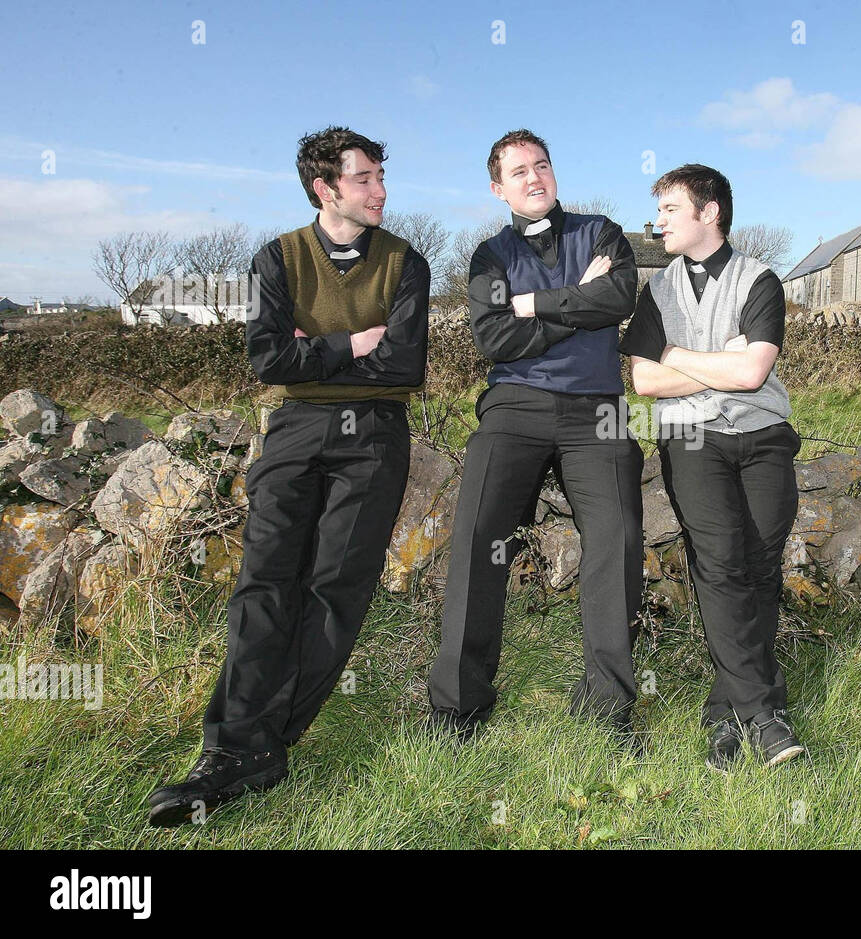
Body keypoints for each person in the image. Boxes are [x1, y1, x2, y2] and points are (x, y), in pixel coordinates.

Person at [147, 126, 430, 826]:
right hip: (296, 426)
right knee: (265, 580)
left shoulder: (406, 262)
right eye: (363, 178)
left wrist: (322, 351)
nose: (380, 190)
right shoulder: (275, 258)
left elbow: (406, 366)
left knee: (336, 587)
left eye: (380, 177)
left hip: (373, 430)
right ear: (324, 187)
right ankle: (238, 744)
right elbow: (269, 360)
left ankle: (259, 744)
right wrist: (352, 342)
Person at [425, 129, 643, 739]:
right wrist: (576, 300)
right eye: (518, 172)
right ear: (498, 189)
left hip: (597, 409)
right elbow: (494, 340)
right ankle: (458, 706)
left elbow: (618, 298)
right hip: (514, 406)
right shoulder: (489, 257)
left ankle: (606, 705)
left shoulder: (600, 231)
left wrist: (532, 305)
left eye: (541, 165)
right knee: (476, 537)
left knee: (618, 536)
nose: (534, 178)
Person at [618, 163, 804, 771]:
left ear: (710, 212)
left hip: (764, 437)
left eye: (671, 209)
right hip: (690, 439)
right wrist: (714, 357)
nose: (659, 221)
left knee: (759, 563)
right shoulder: (657, 291)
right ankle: (763, 714)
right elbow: (644, 380)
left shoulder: (761, 281)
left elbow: (753, 375)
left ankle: (726, 709)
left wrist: (677, 356)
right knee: (720, 560)